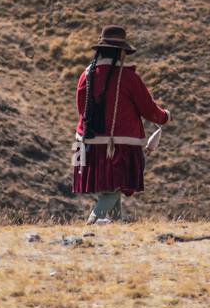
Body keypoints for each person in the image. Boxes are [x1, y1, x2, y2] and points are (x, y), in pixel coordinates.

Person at [72, 26, 170, 222]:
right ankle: (91, 222)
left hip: (88, 142)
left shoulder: (86, 75)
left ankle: (117, 225)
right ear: (120, 52)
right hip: (121, 145)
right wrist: (164, 116)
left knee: (110, 187)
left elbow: (81, 108)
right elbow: (148, 109)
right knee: (117, 186)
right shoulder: (128, 78)